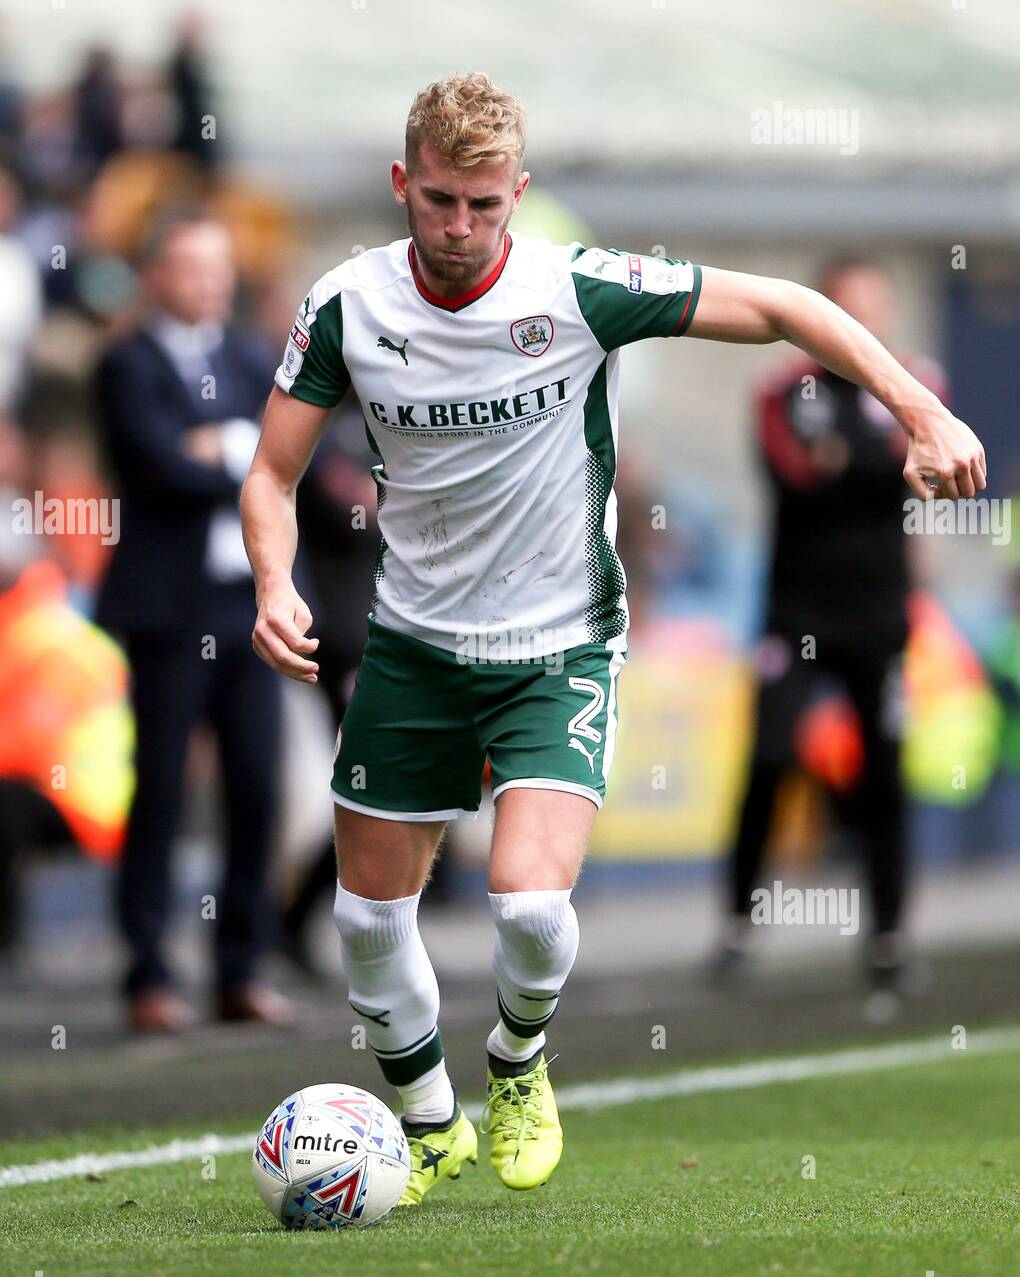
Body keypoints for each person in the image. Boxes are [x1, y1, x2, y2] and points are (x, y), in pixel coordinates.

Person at [240, 73, 985, 1207]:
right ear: (403, 184)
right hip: (414, 648)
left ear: (518, 194)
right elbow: (271, 471)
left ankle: (520, 1063)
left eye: (483, 205)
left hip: (556, 650)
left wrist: (917, 407)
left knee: (532, 910)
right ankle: (431, 1121)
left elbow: (789, 306)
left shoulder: (578, 287)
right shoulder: (348, 306)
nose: (456, 228)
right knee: (365, 919)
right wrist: (274, 580)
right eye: (436, 200)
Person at [713, 260, 948, 1003]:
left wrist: (851, 462)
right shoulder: (784, 390)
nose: (862, 327)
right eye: (848, 311)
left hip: (880, 615)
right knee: (772, 755)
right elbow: (795, 473)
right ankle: (738, 925)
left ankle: (888, 938)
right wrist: (865, 465)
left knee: (883, 770)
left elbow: (924, 471)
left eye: (873, 310)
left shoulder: (914, 384)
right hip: (797, 611)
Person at [96, 210, 289, 1034]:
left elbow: (290, 461)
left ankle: (240, 969)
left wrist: (228, 447)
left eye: (218, 266)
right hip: (170, 611)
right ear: (155, 274)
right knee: (164, 790)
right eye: (188, 265)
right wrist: (243, 457)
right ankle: (147, 971)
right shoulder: (125, 362)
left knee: (257, 786)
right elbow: (160, 467)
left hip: (251, 604)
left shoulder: (251, 354)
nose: (207, 281)